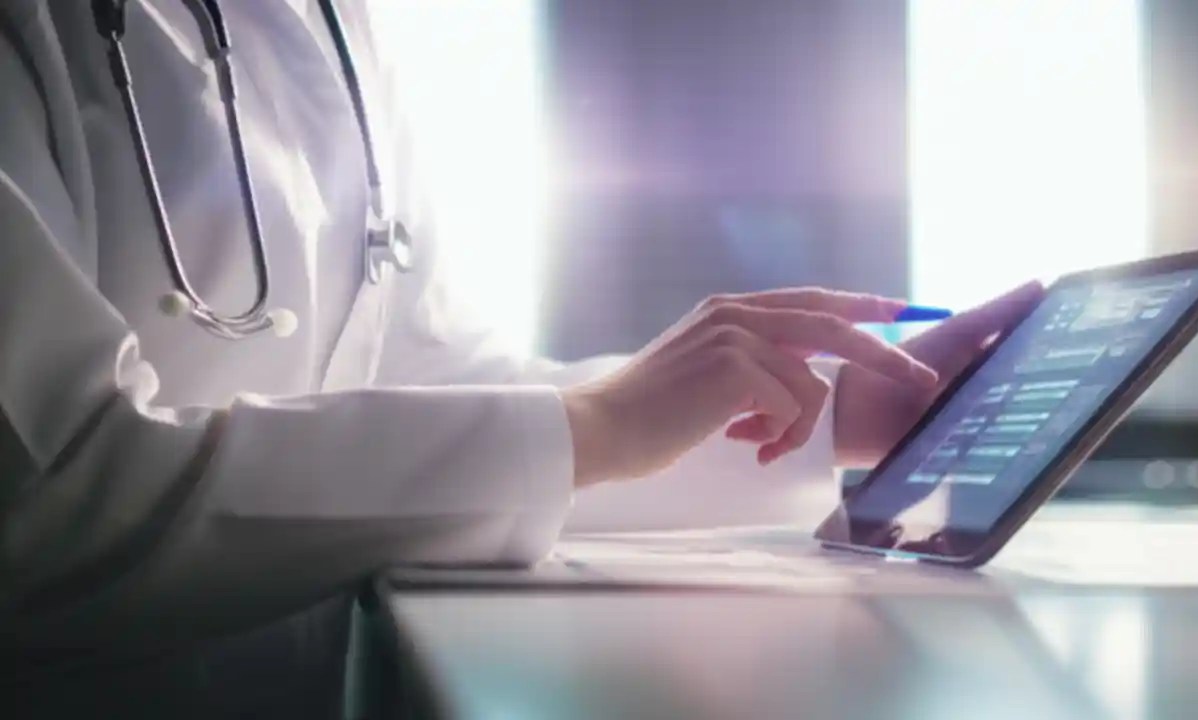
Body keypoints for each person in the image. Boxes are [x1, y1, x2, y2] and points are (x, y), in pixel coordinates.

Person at [0, 0, 1044, 715]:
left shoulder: (326, 24)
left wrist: (814, 413)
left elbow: (434, 394)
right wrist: (593, 426)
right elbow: (41, 503)